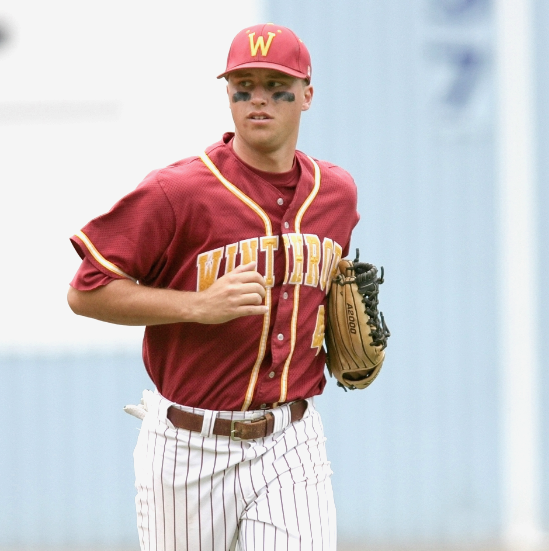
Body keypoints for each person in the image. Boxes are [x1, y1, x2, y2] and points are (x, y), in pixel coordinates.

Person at [67, 22, 359, 551]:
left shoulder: (335, 194)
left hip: (290, 440)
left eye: (277, 87)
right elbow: (86, 290)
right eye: (243, 87)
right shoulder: (177, 191)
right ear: (227, 95)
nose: (258, 101)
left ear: (307, 96)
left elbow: (328, 291)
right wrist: (197, 306)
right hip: (187, 447)